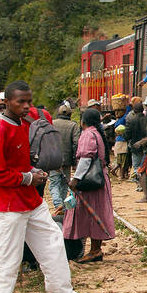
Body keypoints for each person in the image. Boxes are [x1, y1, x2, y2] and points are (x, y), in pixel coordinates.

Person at [0, 82, 82, 293]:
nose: (26, 106)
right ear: (7, 103)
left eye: (29, 101)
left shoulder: (22, 125)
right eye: (21, 102)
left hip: (28, 200)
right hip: (9, 203)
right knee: (6, 258)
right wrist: (26, 178)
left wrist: (32, 171)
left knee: (52, 240)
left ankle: (62, 292)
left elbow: (20, 161)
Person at [63, 108, 115, 264]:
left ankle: (94, 251)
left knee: (90, 213)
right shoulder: (97, 133)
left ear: (83, 121)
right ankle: (95, 249)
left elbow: (86, 159)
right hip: (99, 179)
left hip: (90, 182)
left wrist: (75, 179)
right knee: (97, 212)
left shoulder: (87, 134)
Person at [50, 102, 80, 216]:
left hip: (53, 159)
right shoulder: (73, 125)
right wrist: (74, 161)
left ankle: (58, 205)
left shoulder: (52, 124)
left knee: (54, 183)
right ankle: (61, 205)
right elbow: (76, 143)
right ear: (70, 114)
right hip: (67, 160)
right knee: (64, 183)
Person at [124, 97, 147, 188]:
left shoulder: (131, 120)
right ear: (142, 110)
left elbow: (127, 135)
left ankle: (139, 185)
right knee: (144, 166)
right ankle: (144, 184)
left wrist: (127, 139)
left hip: (135, 146)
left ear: (134, 110)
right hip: (146, 146)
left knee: (136, 166)